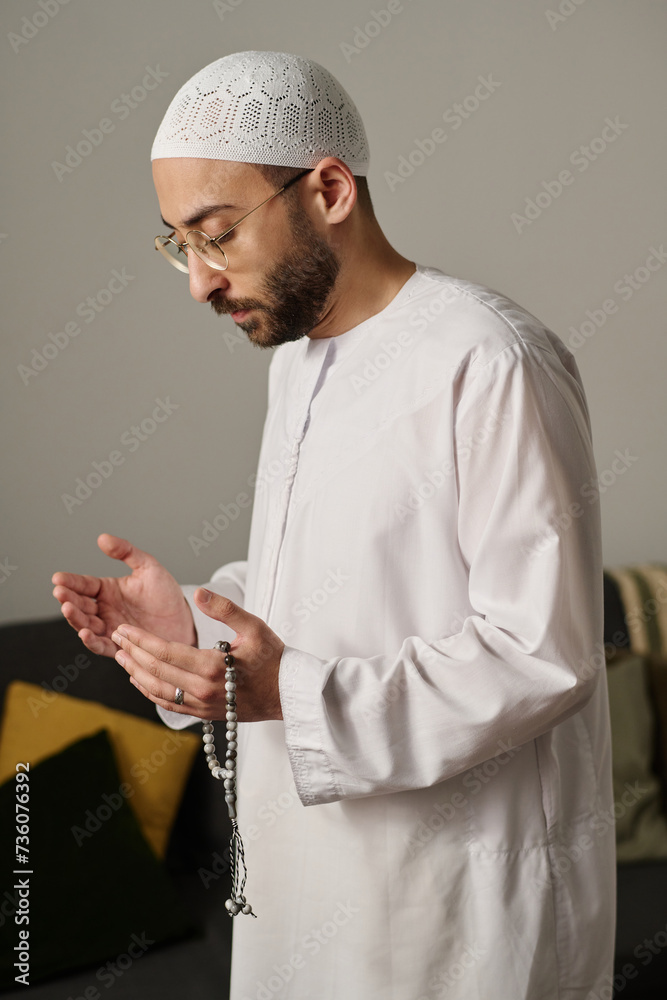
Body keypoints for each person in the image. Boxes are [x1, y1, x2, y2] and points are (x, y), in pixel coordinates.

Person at [53, 51, 615, 1000]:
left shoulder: (491, 359)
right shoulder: (298, 363)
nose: (199, 281)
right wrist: (194, 627)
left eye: (217, 233)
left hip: (458, 909)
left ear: (327, 189)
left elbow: (542, 654)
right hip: (307, 891)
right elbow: (336, 587)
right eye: (178, 244)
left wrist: (294, 695)